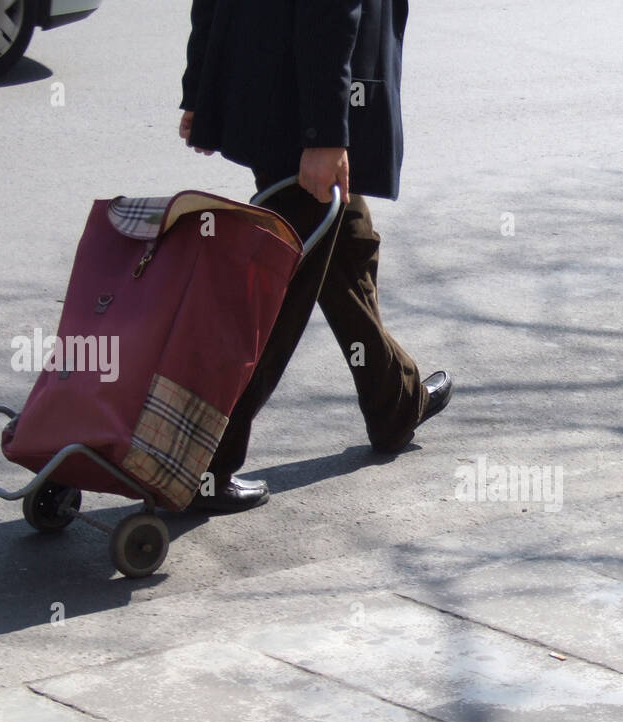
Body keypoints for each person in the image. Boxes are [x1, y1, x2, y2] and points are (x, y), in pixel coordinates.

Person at [178, 0, 451, 513]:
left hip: (271, 87)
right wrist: (325, 134)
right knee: (280, 294)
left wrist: (202, 85)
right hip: (301, 109)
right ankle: (203, 463)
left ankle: (395, 401)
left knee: (348, 245)